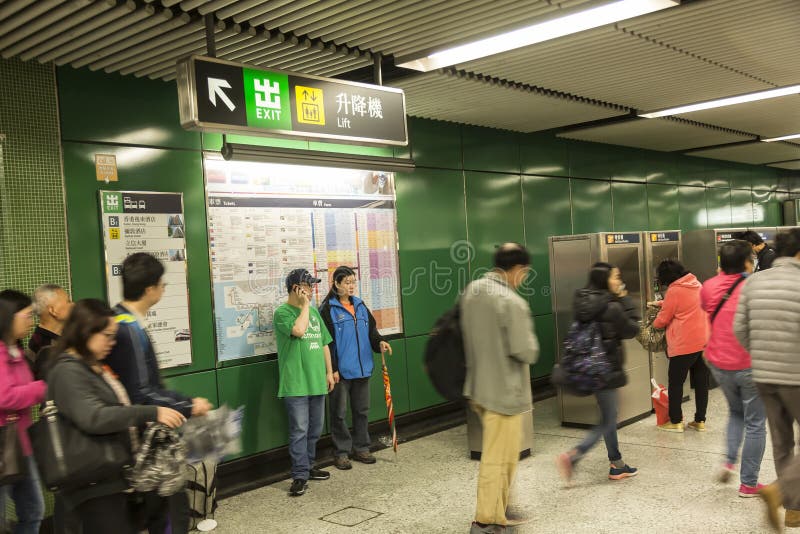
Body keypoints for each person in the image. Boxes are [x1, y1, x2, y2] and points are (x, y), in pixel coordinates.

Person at [48, 299, 185, 534]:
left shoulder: (89, 367)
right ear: (84, 332)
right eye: (107, 336)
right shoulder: (67, 371)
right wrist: (151, 412)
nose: (112, 343)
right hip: (89, 483)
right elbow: (94, 417)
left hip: (107, 478)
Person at [105, 252, 211, 534]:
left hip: (139, 433)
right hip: (146, 437)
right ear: (150, 288)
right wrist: (189, 406)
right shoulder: (128, 329)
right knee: (167, 513)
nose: (164, 289)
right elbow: (141, 391)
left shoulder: (120, 319)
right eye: (162, 284)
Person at [461, 243, 539, 534]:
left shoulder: (473, 290)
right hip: (505, 393)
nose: (523, 279)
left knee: (504, 455)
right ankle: (484, 521)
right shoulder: (512, 301)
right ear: (517, 269)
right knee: (497, 458)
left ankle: (501, 509)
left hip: (478, 387)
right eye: (525, 273)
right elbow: (526, 351)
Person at [734, 228, 800, 531]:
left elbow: (740, 329)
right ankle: (779, 490)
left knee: (782, 441)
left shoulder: (755, 282)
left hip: (763, 374)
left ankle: (794, 510)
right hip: (796, 376)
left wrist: (762, 354)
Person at [555, 262, 640, 487]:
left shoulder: (582, 300)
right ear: (605, 280)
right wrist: (625, 298)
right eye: (615, 277)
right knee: (608, 419)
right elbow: (632, 329)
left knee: (608, 417)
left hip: (587, 367)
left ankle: (617, 464)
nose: (618, 281)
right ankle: (574, 456)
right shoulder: (612, 307)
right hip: (606, 369)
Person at [701, 240, 767, 498]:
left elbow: (708, 311)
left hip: (717, 362)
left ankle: (729, 460)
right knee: (755, 422)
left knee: (735, 413)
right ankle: (748, 483)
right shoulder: (754, 286)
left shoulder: (708, 286)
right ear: (748, 263)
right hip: (749, 364)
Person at [319, 266, 392, 470]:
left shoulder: (360, 306)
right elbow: (327, 343)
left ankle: (361, 447)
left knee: (362, 411)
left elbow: (372, 332)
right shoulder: (327, 309)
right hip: (341, 372)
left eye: (353, 282)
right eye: (347, 282)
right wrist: (332, 369)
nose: (351, 286)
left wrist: (380, 343)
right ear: (336, 284)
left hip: (362, 369)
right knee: (339, 413)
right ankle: (341, 452)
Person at [274, 268, 335, 497]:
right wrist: (305, 306)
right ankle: (299, 475)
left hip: (316, 380)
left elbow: (324, 344)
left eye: (311, 286)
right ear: (295, 288)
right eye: (307, 286)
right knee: (299, 430)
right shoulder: (282, 313)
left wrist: (329, 372)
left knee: (315, 429)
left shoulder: (315, 314)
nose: (311, 289)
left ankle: (309, 466)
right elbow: (299, 330)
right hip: (296, 383)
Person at [0, 293, 46, 534]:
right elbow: (5, 396)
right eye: (27, 316)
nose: (31, 322)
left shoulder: (16, 350)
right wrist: (42, 388)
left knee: (33, 510)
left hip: (22, 445)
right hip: (3, 446)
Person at [652, 260, 709, 433]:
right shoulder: (696, 284)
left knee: (676, 383)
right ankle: (700, 421)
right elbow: (687, 305)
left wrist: (654, 323)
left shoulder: (674, 290)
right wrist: (663, 303)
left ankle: (675, 421)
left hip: (684, 344)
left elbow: (663, 320)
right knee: (701, 383)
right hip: (703, 341)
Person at [29, 284, 73, 355]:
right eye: (68, 301)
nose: (73, 304)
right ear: (53, 310)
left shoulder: (66, 334)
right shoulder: (45, 348)